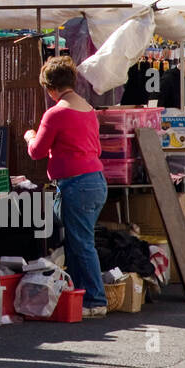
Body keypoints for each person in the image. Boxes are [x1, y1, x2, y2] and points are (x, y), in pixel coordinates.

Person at [23, 56, 108, 319]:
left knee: (82, 244)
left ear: (50, 88)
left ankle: (95, 299)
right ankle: (79, 295)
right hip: (95, 181)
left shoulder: (56, 113)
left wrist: (29, 135)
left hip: (77, 184)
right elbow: (97, 148)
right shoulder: (88, 109)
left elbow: (37, 152)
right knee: (77, 241)